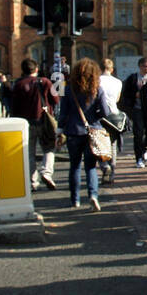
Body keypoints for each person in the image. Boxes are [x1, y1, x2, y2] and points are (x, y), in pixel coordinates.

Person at [59, 58, 112, 211]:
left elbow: (63, 114)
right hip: (92, 132)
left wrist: (59, 131)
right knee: (90, 167)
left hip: (73, 132)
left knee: (74, 166)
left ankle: (75, 199)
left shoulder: (69, 90)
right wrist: (93, 117)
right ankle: (93, 196)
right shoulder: (97, 89)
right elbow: (105, 112)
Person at [10, 58, 58, 190]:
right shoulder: (46, 82)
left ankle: (32, 182)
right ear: (36, 69)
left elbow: (13, 107)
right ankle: (46, 173)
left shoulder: (18, 85)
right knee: (49, 148)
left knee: (29, 152)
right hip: (44, 121)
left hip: (25, 123)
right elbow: (56, 99)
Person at [120, 57, 147, 168]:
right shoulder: (133, 78)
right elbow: (126, 93)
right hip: (137, 109)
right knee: (138, 134)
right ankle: (139, 158)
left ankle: (144, 149)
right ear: (140, 66)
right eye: (145, 66)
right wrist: (135, 95)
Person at [98, 58, 124, 184]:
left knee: (99, 144)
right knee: (112, 145)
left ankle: (104, 167)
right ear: (112, 69)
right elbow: (117, 99)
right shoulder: (118, 82)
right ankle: (112, 173)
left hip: (100, 116)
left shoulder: (97, 81)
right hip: (114, 116)